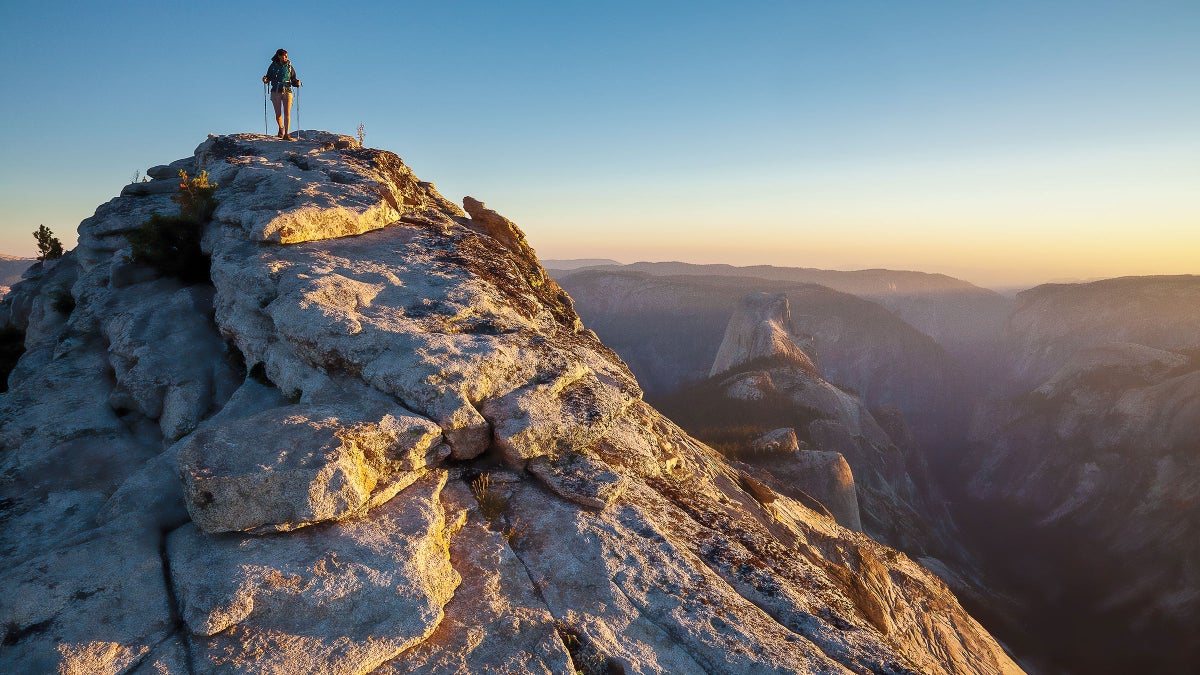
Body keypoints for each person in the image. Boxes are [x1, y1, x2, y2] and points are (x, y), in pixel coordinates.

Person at [263, 49, 301, 140]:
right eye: (284, 56)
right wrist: (265, 79)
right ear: (279, 56)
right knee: (278, 114)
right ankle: (281, 127)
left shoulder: (289, 66)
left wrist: (297, 83)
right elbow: (268, 76)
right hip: (275, 90)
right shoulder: (273, 66)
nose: (286, 58)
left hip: (287, 90)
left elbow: (293, 78)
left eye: (286, 56)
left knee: (287, 113)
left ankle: (287, 134)